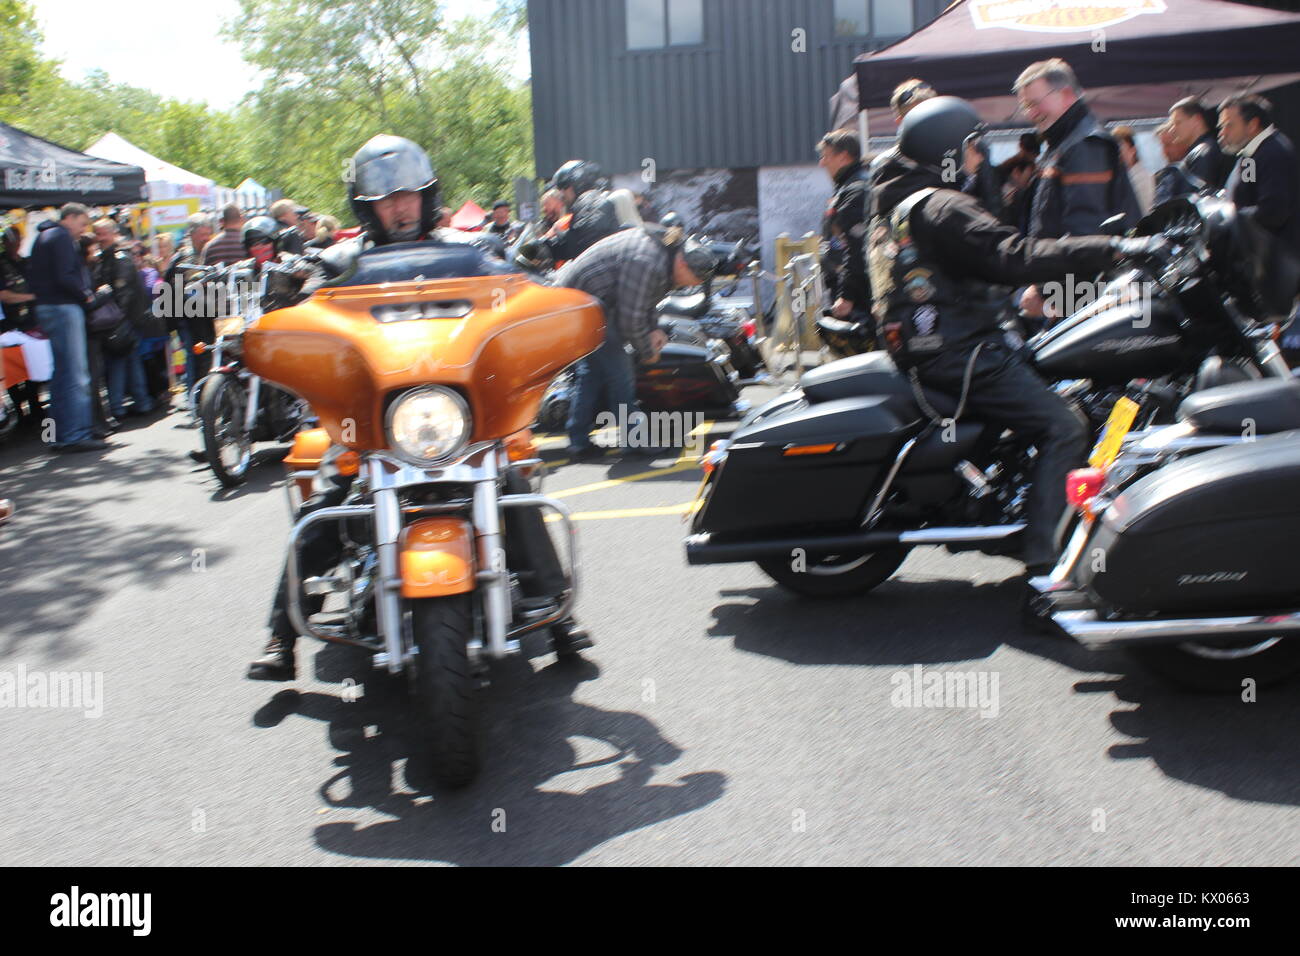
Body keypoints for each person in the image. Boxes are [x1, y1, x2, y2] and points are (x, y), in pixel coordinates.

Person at [247, 134, 594, 680]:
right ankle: (281, 634)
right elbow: (302, 306)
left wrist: (541, 290)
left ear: (428, 197)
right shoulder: (338, 263)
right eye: (387, 198)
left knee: (514, 487)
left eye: (409, 195)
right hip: (373, 422)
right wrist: (284, 301)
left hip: (459, 415)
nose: (400, 207)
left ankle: (556, 615)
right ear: (366, 206)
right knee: (328, 504)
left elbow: (523, 288)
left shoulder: (474, 253)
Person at [867, 96, 1166, 574]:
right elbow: (1013, 255)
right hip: (961, 350)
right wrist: (1112, 247)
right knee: (1064, 426)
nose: (978, 157)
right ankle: (1045, 561)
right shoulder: (943, 206)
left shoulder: (903, 199)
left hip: (934, 345)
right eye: (971, 146)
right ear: (948, 148)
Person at [555, 224, 719, 463]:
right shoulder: (647, 260)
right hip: (580, 306)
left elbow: (646, 299)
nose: (691, 286)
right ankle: (635, 441)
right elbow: (631, 318)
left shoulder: (664, 255)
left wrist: (653, 328)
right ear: (683, 264)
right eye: (694, 280)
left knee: (593, 373)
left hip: (591, 304)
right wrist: (647, 351)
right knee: (621, 375)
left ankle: (578, 442)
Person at [1014, 58, 1140, 321]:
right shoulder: (1066, 143)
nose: (1030, 113)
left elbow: (1085, 234)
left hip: (1087, 294)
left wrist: (1048, 296)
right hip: (1080, 291)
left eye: (1035, 103)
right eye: (1026, 106)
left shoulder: (1083, 145)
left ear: (1067, 94)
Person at [27, 204, 104, 451]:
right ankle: (75, 434)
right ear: (69, 218)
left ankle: (61, 435)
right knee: (75, 374)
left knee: (61, 374)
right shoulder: (60, 237)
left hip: (47, 306)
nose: (83, 230)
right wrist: (87, 296)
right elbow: (64, 275)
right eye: (82, 224)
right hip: (62, 307)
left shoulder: (43, 236)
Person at [1219, 93, 1300, 256]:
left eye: (1229, 125)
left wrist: (1230, 214)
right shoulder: (1251, 154)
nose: (1222, 133)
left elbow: (1273, 212)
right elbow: (1246, 192)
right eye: (1221, 127)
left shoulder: (1272, 153)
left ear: (1252, 125)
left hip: (1277, 262)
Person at [92, 219, 155, 419]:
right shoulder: (108, 258)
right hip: (122, 319)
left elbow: (123, 293)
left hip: (122, 320)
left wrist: (115, 319)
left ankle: (120, 407)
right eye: (97, 234)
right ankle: (139, 401)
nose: (99, 238)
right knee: (128, 360)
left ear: (113, 234)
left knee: (119, 362)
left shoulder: (119, 259)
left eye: (102, 233)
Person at [817, 128, 873, 329]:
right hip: (847, 289)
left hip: (858, 300)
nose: (822, 163)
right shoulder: (848, 187)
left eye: (826, 156)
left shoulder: (857, 190)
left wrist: (847, 296)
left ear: (843, 157)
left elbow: (857, 248)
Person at [538, 160, 621, 262]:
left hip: (602, 269)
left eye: (564, 186)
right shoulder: (587, 203)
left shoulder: (589, 204)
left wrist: (552, 245)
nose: (562, 193)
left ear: (578, 183)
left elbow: (582, 240)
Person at [1168, 97, 1232, 194]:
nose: (1172, 130)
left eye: (1177, 123)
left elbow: (1195, 197)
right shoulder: (1201, 151)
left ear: (1196, 120)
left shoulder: (1203, 152)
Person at [1111, 125, 1155, 216]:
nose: (1117, 156)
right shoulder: (1120, 175)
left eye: (1121, 151)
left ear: (1133, 151)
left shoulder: (1142, 177)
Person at [1153, 120, 1196, 206]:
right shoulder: (1163, 175)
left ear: (1181, 141)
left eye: (1168, 145)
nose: (1164, 152)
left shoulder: (1193, 170)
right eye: (1162, 146)